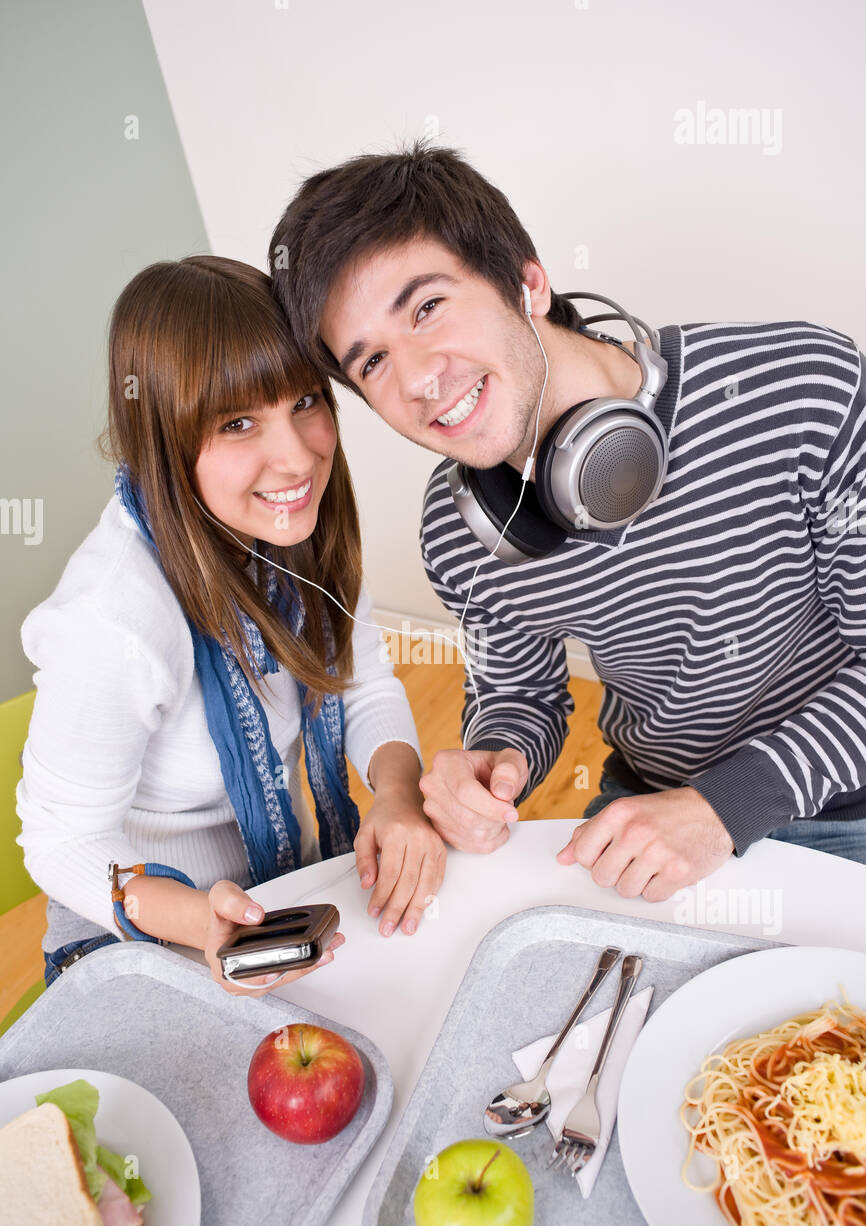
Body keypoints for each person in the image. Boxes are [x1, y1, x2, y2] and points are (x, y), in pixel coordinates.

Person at [265, 141, 866, 903]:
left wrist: (724, 808)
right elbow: (521, 692)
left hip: (847, 801)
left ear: (528, 283)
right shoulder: (460, 532)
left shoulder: (803, 388)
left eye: (427, 307)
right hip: (649, 801)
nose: (417, 378)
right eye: (372, 362)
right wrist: (497, 756)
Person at [18, 255, 445, 994]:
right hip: (143, 937)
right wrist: (197, 922)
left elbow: (363, 681)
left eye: (306, 401)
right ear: (165, 440)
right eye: (239, 422)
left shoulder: (290, 529)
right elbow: (62, 841)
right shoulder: (113, 617)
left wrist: (399, 795)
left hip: (273, 902)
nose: (297, 457)